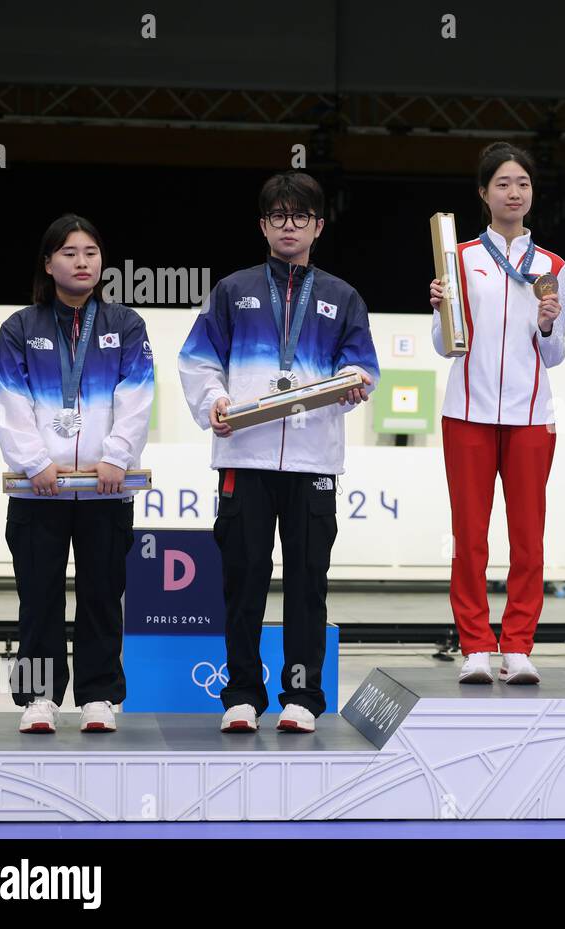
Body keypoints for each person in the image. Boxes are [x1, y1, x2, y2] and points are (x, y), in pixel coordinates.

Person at [179, 171, 379, 734]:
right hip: (245, 456)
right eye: (277, 216)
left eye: (300, 216)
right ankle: (242, 692)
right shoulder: (233, 290)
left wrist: (354, 383)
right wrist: (215, 401)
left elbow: (364, 367)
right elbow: (198, 361)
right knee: (242, 579)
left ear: (318, 226)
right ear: (262, 225)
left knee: (308, 580)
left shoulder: (343, 297)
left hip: (314, 462)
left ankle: (302, 693)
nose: (288, 226)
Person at [0, 214, 154, 734]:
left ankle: (99, 695)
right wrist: (36, 463)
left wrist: (117, 456)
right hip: (40, 493)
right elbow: (6, 400)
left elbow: (138, 396)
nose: (82, 262)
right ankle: (38, 698)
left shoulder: (126, 326)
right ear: (48, 263)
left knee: (102, 596)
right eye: (69, 253)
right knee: (38, 598)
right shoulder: (20, 328)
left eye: (90, 252)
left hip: (105, 490)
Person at [428, 142, 565, 685]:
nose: (514, 192)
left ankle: (519, 645)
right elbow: (445, 346)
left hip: (532, 415)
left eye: (523, 184)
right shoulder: (459, 259)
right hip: (467, 411)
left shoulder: (550, 266)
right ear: (484, 193)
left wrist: (550, 321)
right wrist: (440, 306)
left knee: (529, 535)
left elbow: (554, 356)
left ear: (532, 194)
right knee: (470, 534)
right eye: (503, 183)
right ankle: (475, 645)